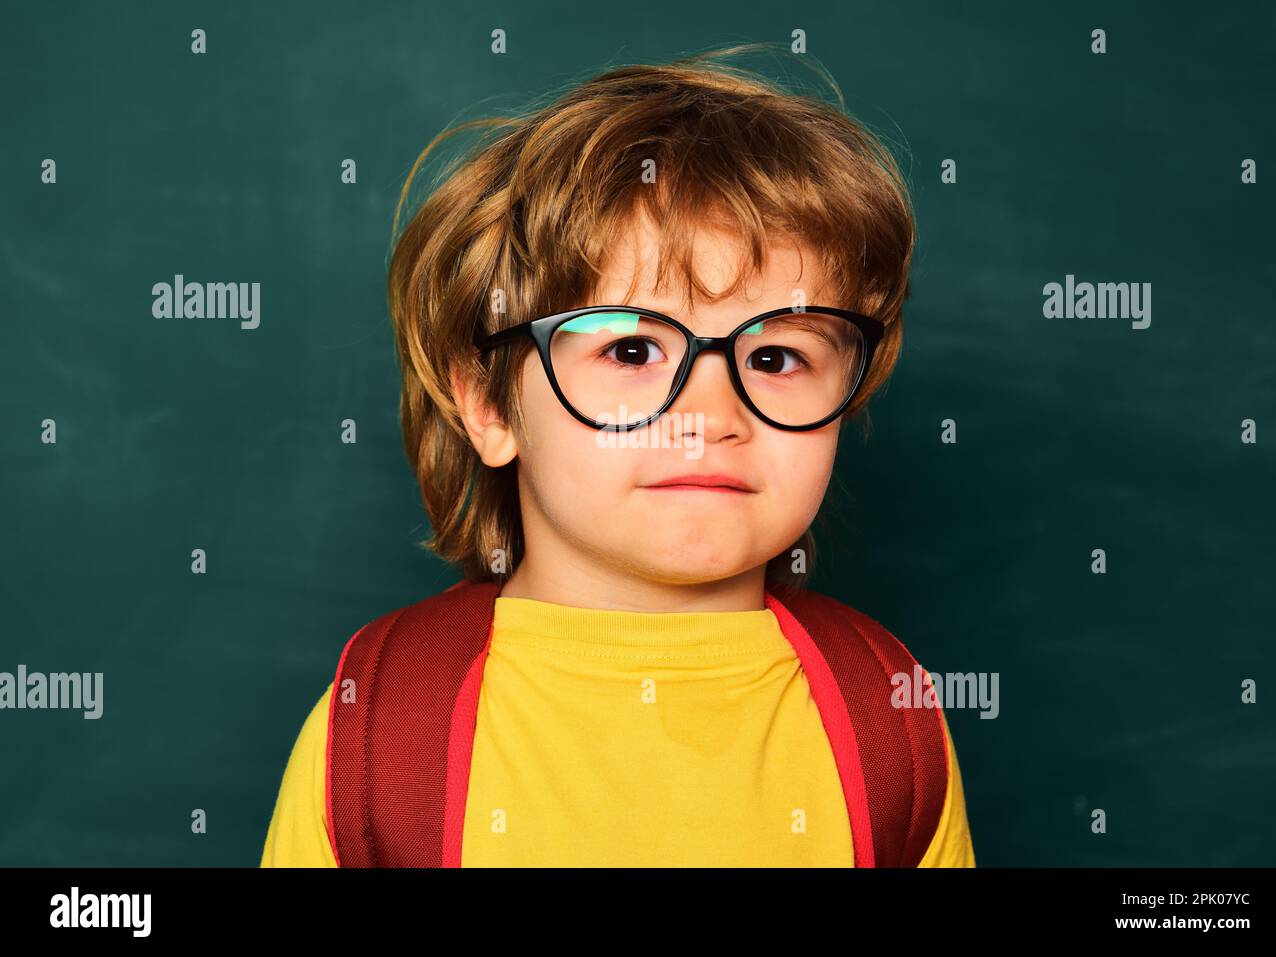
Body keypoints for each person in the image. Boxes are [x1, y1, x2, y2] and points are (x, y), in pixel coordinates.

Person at [261, 43, 974, 867]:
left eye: (776, 358)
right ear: (489, 405)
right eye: (632, 351)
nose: (710, 414)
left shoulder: (888, 719)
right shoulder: (379, 729)